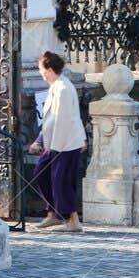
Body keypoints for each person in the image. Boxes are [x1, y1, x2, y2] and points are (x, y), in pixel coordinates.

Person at [28, 49, 86, 231]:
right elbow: (51, 119)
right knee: (42, 173)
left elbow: (60, 119)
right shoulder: (57, 86)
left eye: (41, 69)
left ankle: (73, 220)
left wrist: (43, 143)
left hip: (64, 143)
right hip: (56, 143)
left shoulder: (63, 88)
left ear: (50, 69)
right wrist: (42, 141)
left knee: (62, 180)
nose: (40, 73)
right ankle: (53, 213)